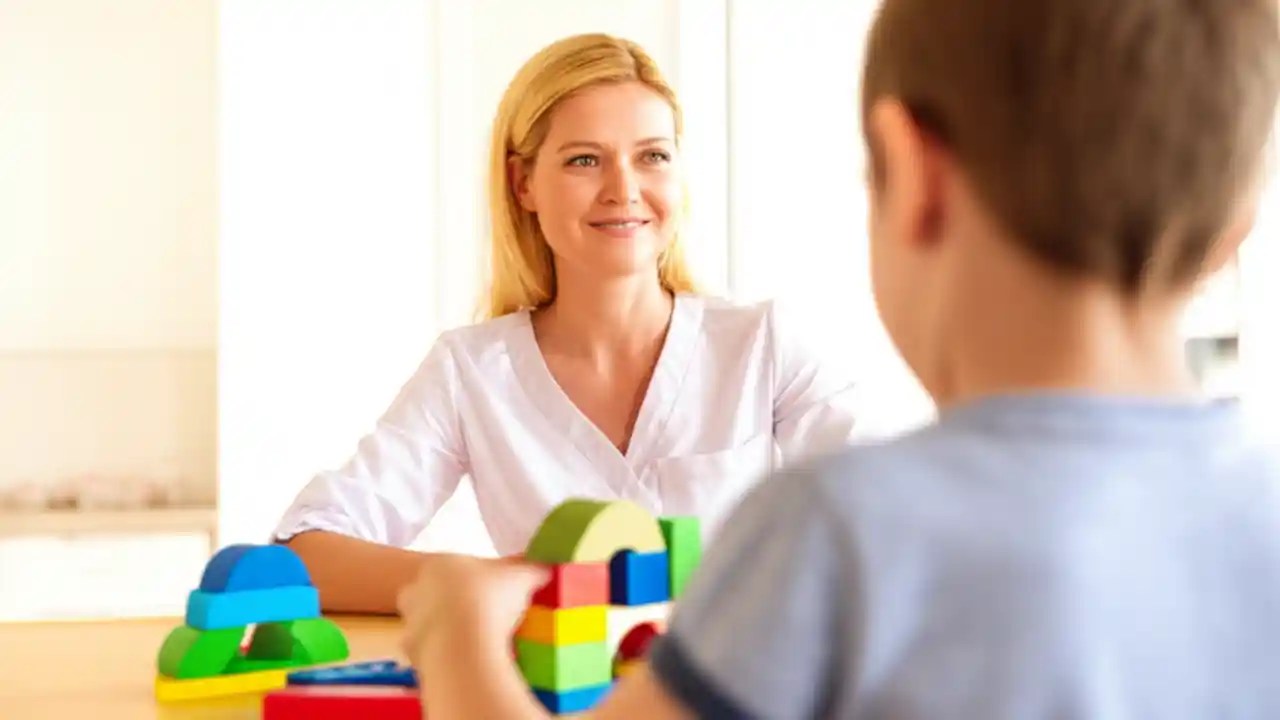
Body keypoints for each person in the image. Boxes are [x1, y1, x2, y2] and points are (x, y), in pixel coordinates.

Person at [396, 0, 1280, 717]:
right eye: (585, 160)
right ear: (1236, 225)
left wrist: (456, 634)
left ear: (913, 172)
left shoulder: (836, 529)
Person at [272, 33, 862, 615]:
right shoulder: (470, 371)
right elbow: (305, 553)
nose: (624, 191)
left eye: (652, 156)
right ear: (522, 183)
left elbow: (893, 519)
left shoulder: (762, 345)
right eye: (585, 160)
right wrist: (505, 581)